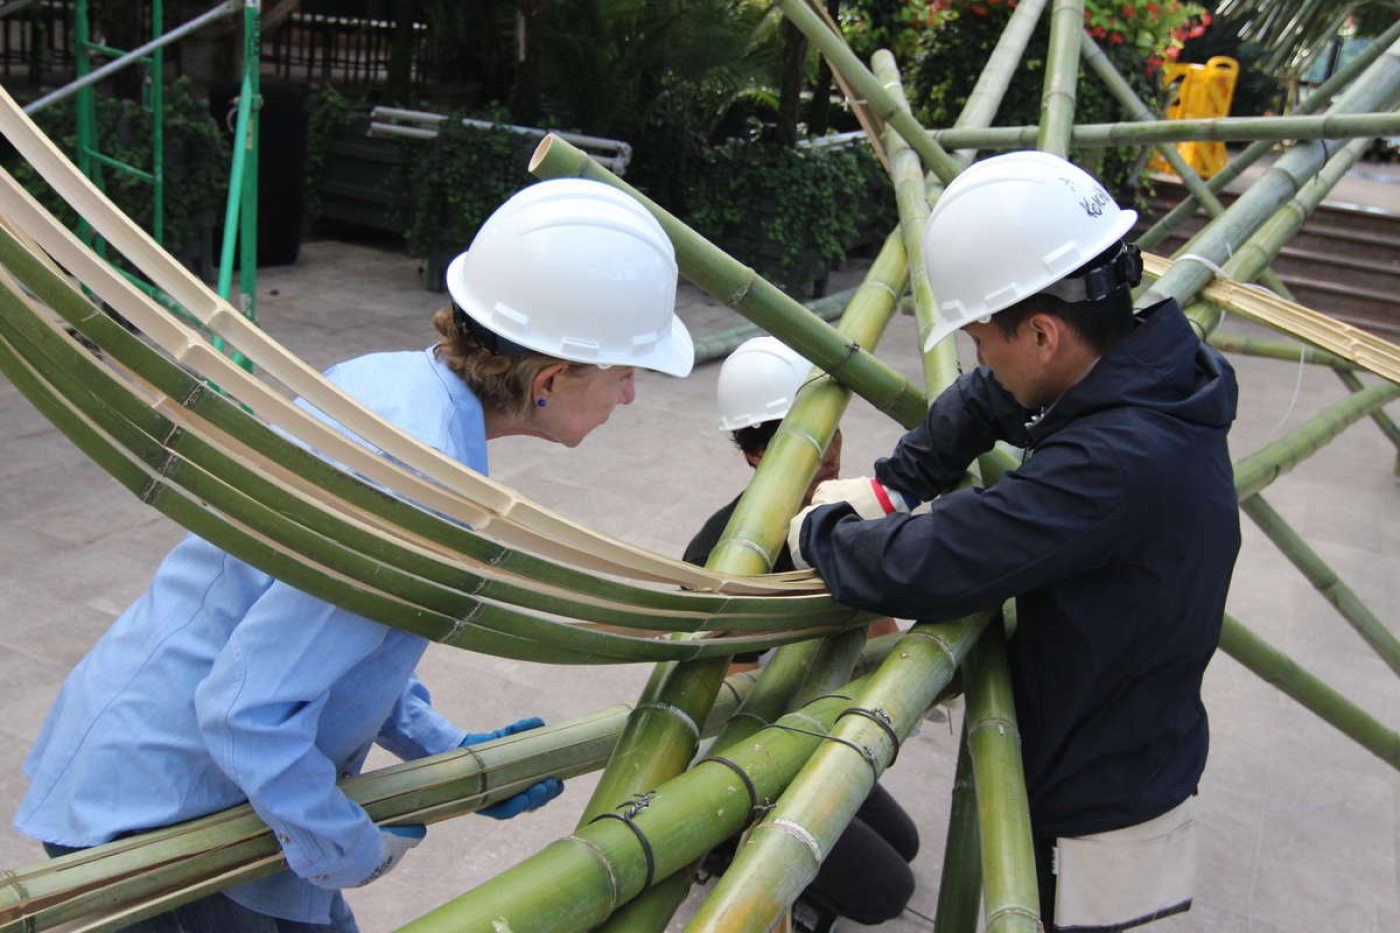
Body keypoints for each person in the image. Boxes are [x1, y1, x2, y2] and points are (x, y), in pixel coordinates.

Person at [15, 179, 694, 932]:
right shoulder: (416, 483)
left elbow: (337, 636)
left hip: (189, 768)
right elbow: (246, 710)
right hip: (163, 813)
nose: (630, 396)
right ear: (549, 379)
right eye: (627, 372)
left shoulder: (394, 385)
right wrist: (353, 849)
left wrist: (445, 745)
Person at [787, 151, 1240, 931]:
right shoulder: (1152, 364)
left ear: (1039, 332)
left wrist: (821, 532)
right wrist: (903, 477)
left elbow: (940, 559)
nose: (978, 357)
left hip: (1103, 802)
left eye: (981, 336)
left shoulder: (1113, 463)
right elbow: (995, 394)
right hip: (1124, 729)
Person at [686, 336, 917, 932]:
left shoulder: (839, 515)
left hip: (818, 725)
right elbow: (730, 709)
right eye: (810, 445)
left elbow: (881, 633)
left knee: (904, 843)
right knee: (887, 893)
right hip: (755, 749)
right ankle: (721, 839)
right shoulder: (724, 557)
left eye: (834, 433)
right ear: (755, 455)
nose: (831, 456)